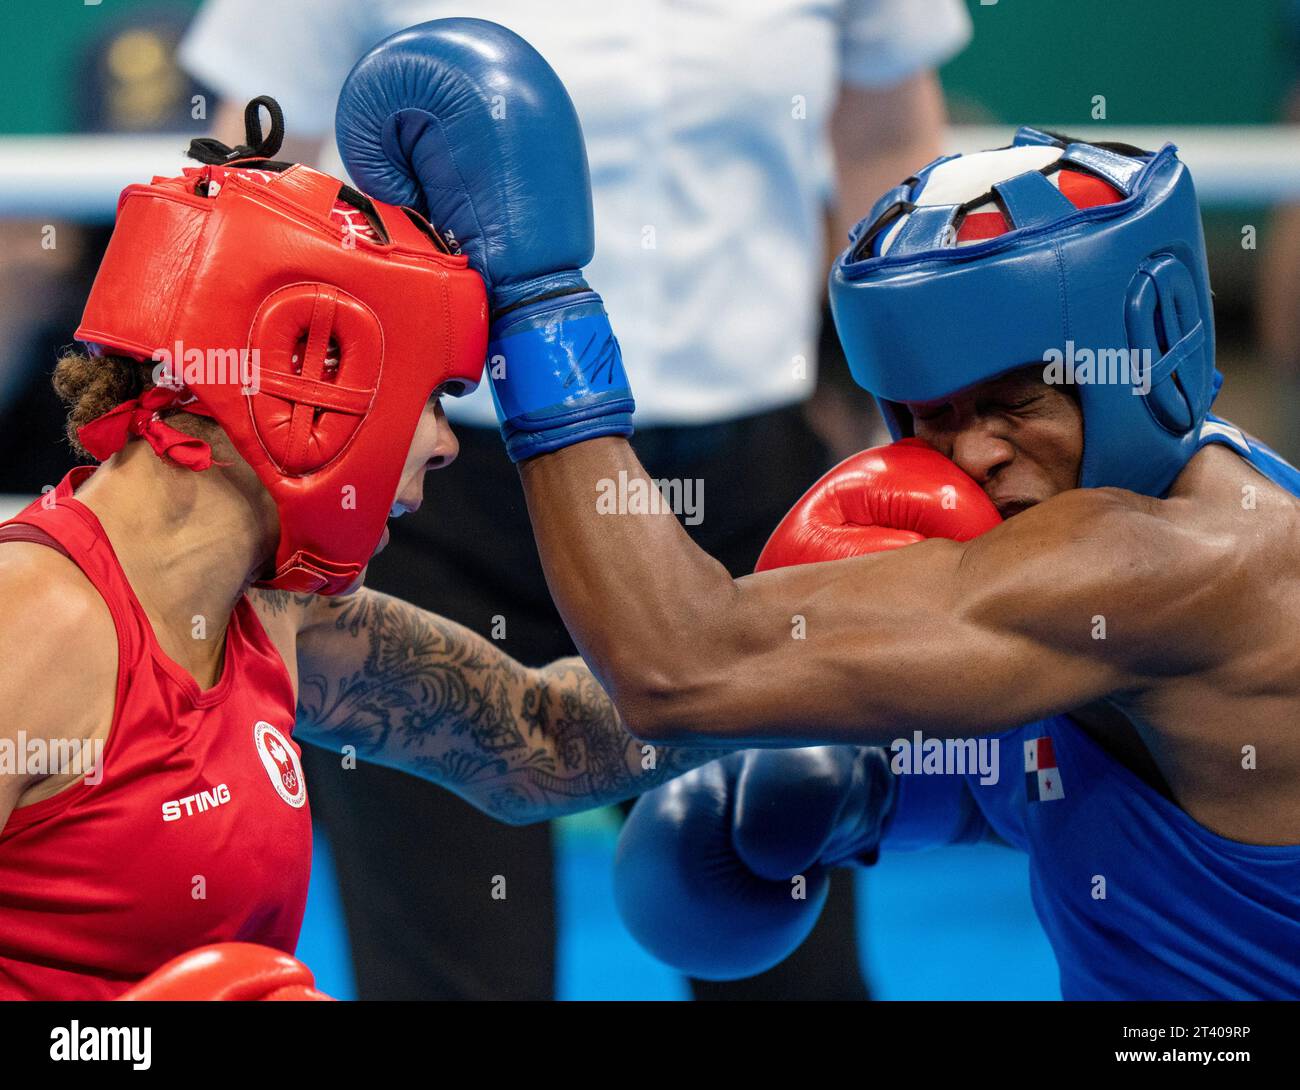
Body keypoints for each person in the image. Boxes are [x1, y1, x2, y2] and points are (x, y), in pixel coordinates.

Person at [334, 19, 1300, 999]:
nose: (971, 452)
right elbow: (554, 731)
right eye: (932, 416)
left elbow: (676, 667)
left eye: (1017, 404)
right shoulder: (1068, 576)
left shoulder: (1180, 562)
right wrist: (881, 797)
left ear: (1143, 360)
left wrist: (538, 303)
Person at [178, 0, 970, 1000]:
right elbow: (253, 161)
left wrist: (930, 422)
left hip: (746, 501)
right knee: (452, 969)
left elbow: (886, 149)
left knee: (788, 962)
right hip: (429, 486)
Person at [0, 102, 711, 1000]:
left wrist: (823, 654)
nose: (448, 445)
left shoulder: (271, 614)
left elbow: (546, 739)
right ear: (307, 387)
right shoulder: (29, 622)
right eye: (428, 396)